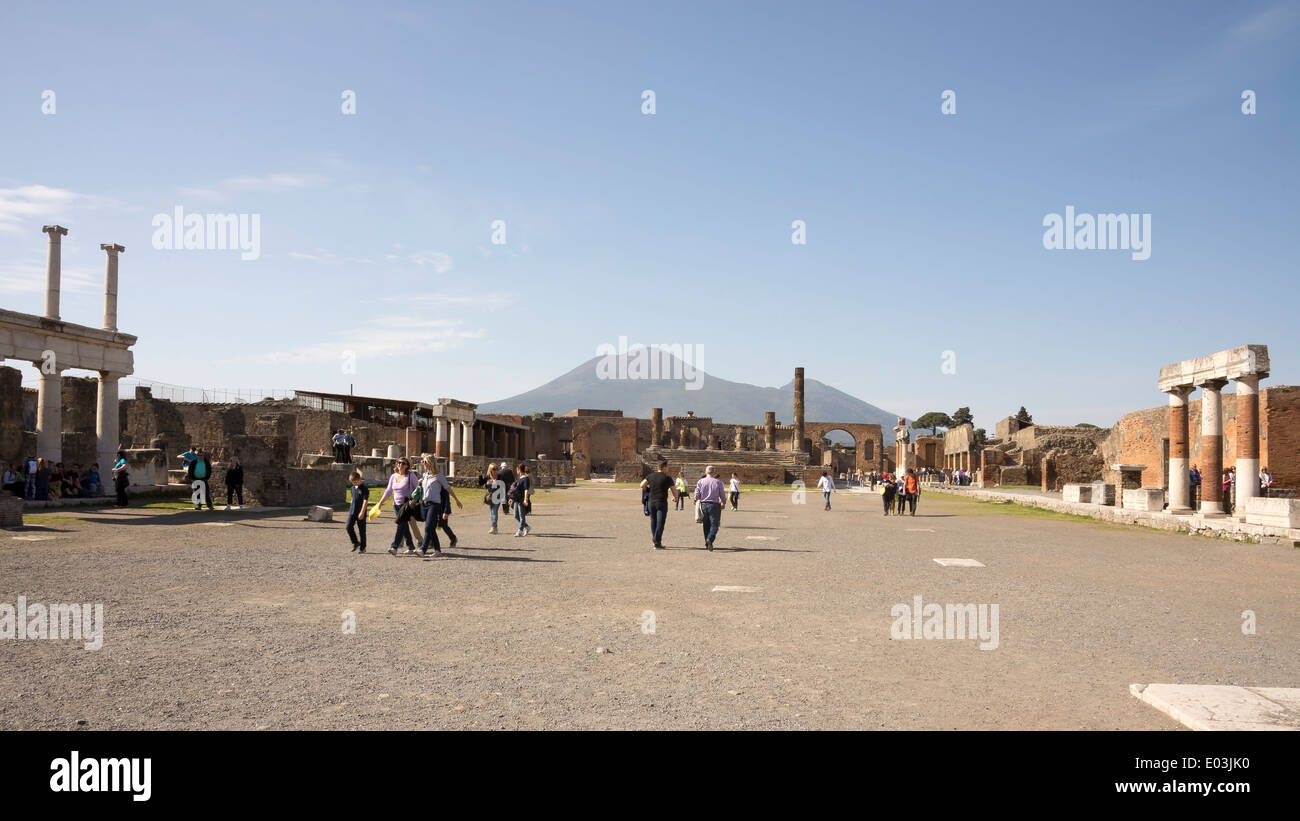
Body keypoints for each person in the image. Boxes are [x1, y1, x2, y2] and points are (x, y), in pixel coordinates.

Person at [377, 457, 419, 555]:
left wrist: (413, 500)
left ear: (407, 466)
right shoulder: (393, 476)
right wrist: (380, 503)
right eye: (399, 463)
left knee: (401, 525)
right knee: (404, 526)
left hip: (406, 505)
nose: (401, 465)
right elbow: (388, 491)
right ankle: (411, 547)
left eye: (403, 463)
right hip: (396, 505)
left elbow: (418, 489)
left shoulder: (410, 476)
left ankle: (394, 546)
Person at [641, 460, 678, 549]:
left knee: (653, 521)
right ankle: (656, 541)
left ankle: (656, 542)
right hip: (661, 502)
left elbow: (642, 485)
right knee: (660, 522)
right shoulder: (667, 478)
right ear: (664, 467)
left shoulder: (650, 476)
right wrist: (675, 497)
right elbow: (674, 490)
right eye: (667, 467)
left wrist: (647, 489)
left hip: (651, 502)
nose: (668, 469)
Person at [694, 465, 725, 551]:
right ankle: (710, 539)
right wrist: (723, 503)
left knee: (706, 524)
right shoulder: (718, 482)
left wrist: (697, 499)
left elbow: (697, 494)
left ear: (705, 472)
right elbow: (722, 494)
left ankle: (707, 543)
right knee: (714, 524)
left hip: (703, 504)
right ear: (714, 473)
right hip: (714, 505)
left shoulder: (700, 481)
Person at [346, 470, 368, 553]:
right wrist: (350, 507)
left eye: (356, 482)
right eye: (353, 482)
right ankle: (355, 542)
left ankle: (363, 548)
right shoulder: (352, 488)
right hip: (352, 511)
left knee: (362, 530)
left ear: (359, 479)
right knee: (348, 527)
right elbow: (353, 499)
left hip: (360, 511)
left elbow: (365, 501)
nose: (355, 483)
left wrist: (362, 512)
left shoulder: (364, 488)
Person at [509, 463, 533, 536]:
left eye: (517, 469)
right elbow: (515, 491)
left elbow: (526, 490)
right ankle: (527, 527)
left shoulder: (526, 479)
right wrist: (511, 499)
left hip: (522, 499)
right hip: (516, 499)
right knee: (516, 515)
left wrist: (525, 499)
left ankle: (520, 530)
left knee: (522, 516)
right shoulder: (519, 479)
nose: (516, 471)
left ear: (519, 470)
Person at [483, 464, 505, 534]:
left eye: (496, 469)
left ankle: (493, 527)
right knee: (492, 512)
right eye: (494, 469)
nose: (495, 471)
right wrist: (488, 483)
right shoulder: (487, 477)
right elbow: (485, 486)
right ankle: (495, 527)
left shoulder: (500, 476)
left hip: (498, 496)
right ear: (490, 470)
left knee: (494, 512)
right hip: (490, 497)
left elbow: (503, 486)